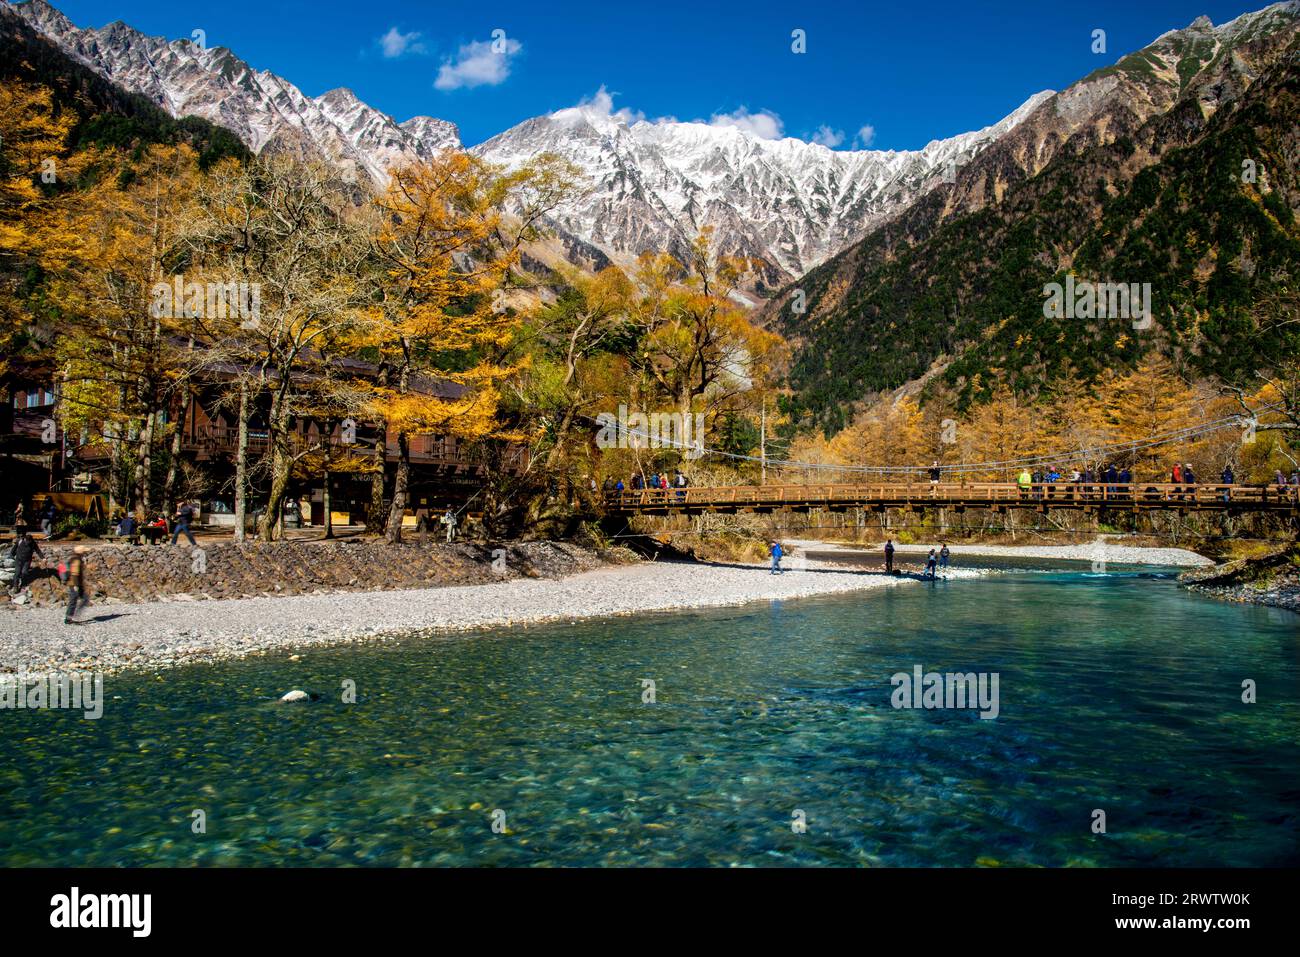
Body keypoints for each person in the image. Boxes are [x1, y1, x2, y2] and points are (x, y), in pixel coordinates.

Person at [7, 527, 42, 595]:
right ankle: (15, 587)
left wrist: (43, 558)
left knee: (24, 572)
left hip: (27, 560)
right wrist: (11, 555)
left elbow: (38, 550)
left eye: (30, 541)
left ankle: (23, 584)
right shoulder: (20, 541)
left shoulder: (33, 543)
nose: (28, 542)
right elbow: (14, 548)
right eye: (27, 541)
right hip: (19, 560)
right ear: (25, 539)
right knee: (17, 573)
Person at [63, 544, 90, 625]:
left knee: (81, 599)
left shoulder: (76, 559)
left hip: (77, 583)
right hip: (74, 584)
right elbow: (74, 573)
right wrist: (76, 585)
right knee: (75, 600)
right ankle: (70, 618)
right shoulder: (77, 560)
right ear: (81, 552)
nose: (86, 553)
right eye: (85, 551)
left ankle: (71, 617)